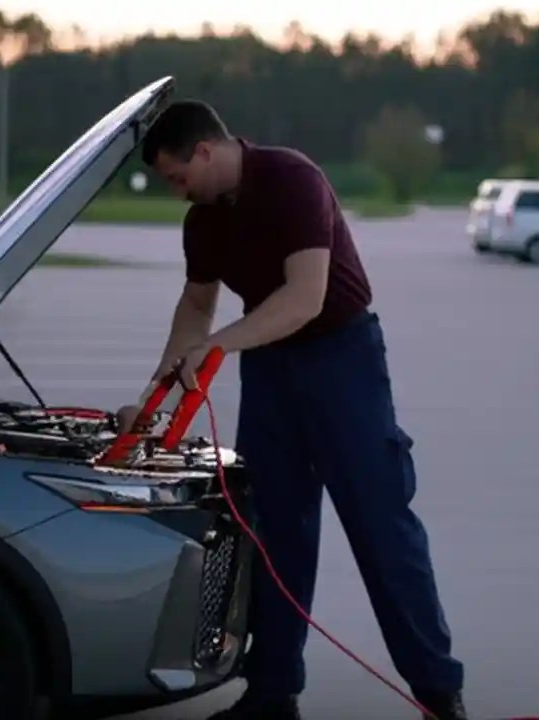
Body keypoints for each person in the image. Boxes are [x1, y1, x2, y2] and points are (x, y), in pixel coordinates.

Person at [121, 99, 469, 720]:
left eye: (179, 176)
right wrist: (154, 398)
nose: (178, 193)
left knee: (380, 527)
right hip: (269, 366)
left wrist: (221, 345)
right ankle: (273, 695)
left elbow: (305, 298)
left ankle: (439, 694)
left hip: (342, 358)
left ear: (205, 151)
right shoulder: (202, 221)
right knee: (275, 532)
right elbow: (196, 306)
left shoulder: (291, 179)